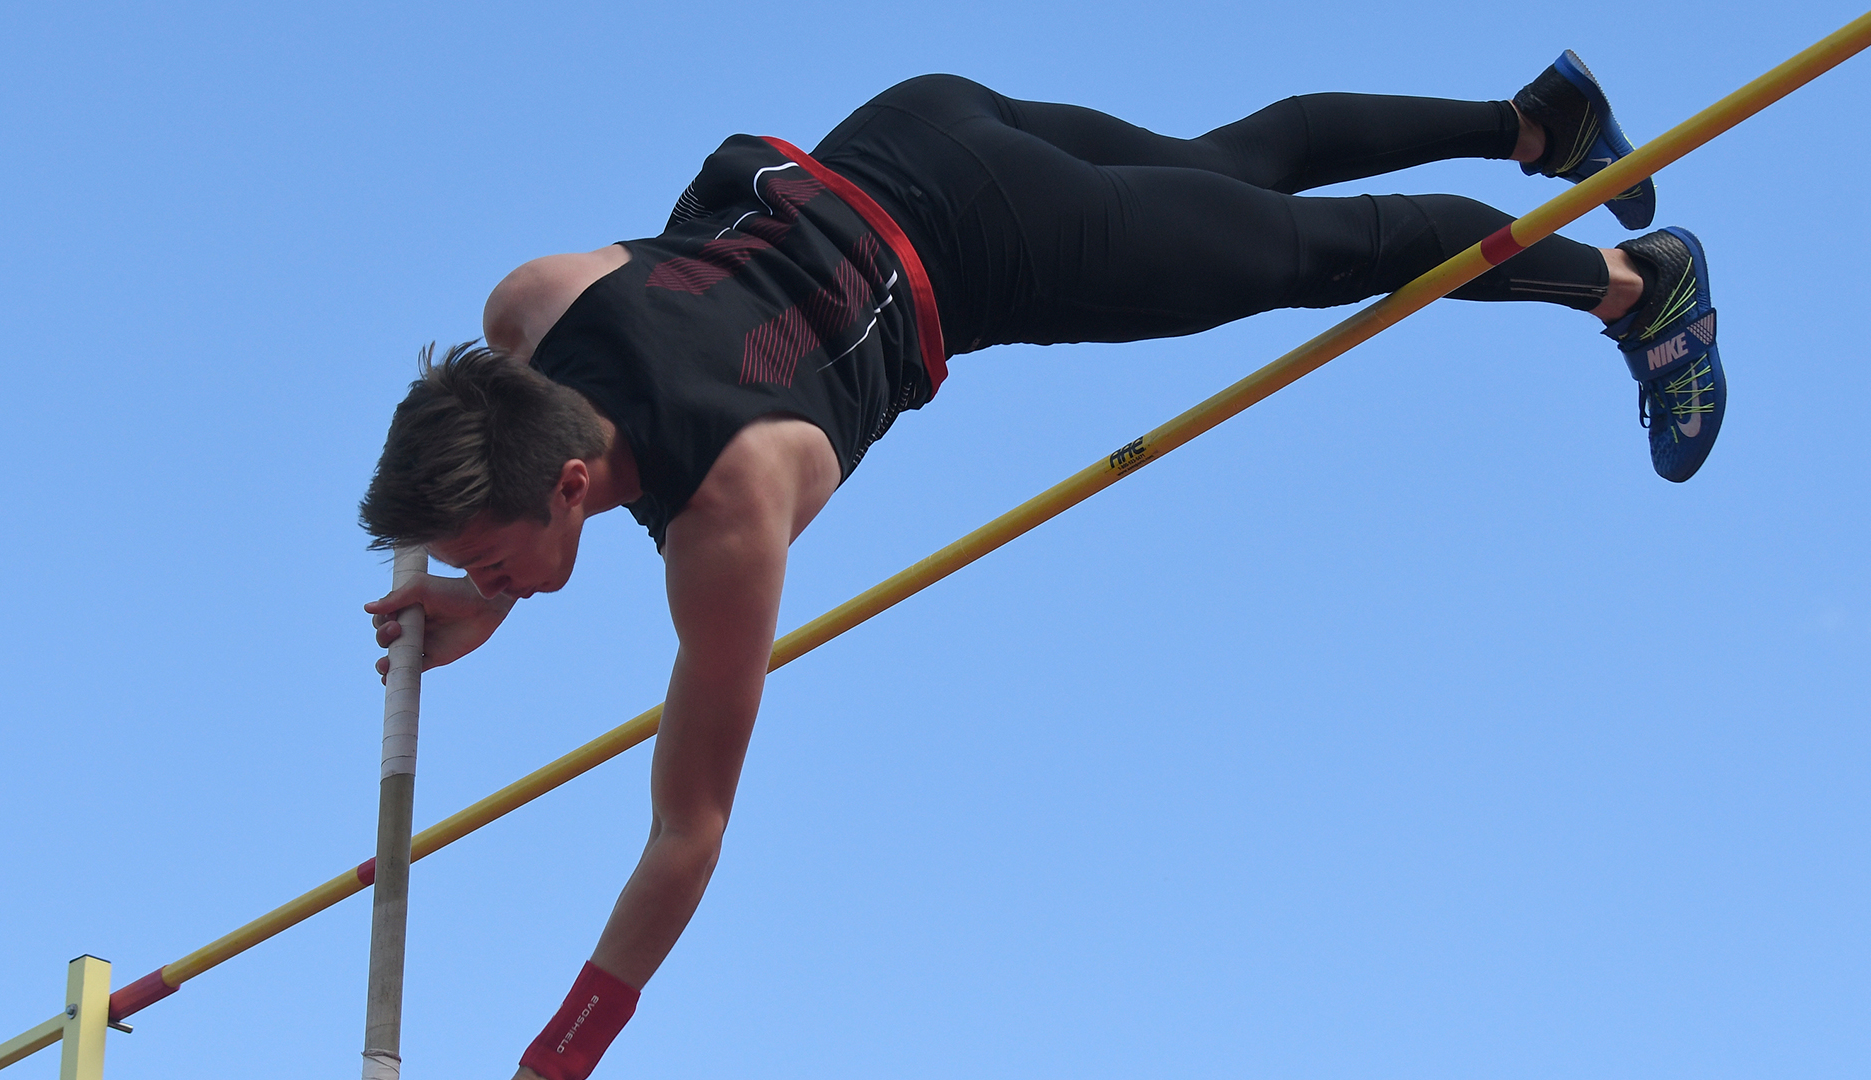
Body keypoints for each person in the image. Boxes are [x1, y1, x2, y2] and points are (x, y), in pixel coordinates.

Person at [360, 53, 1722, 1080]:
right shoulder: (527, 308)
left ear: (577, 484)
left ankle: (1629, 280)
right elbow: (568, 399)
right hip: (907, 130)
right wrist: (489, 587)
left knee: (1327, 254)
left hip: (988, 246)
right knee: (1229, 165)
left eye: (502, 552)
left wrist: (561, 1058)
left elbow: (687, 835)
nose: (511, 579)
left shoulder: (731, 514)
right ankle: (1538, 120)